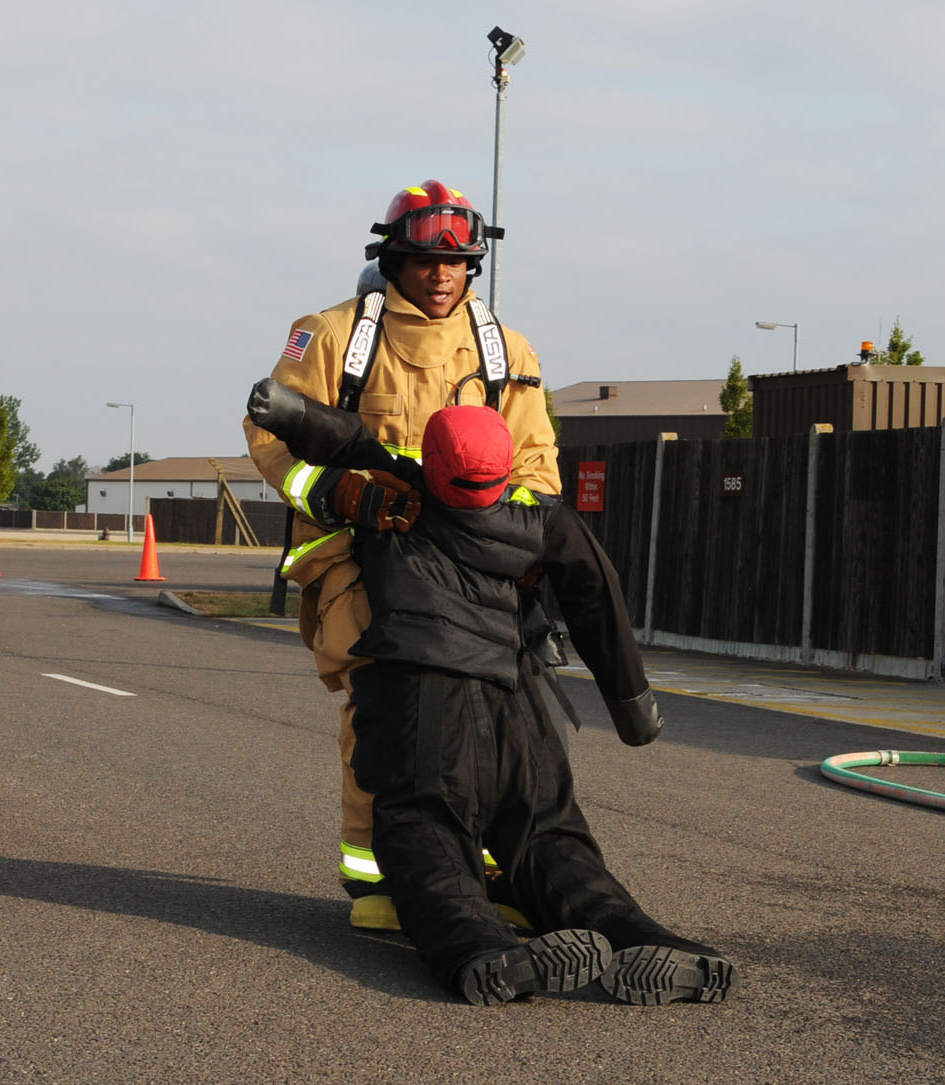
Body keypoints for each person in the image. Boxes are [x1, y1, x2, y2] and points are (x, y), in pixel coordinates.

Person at [243, 180, 659, 932]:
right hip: (360, 548)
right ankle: (381, 873)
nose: (442, 277)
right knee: (389, 693)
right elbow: (271, 438)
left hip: (470, 557)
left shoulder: (506, 350)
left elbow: (536, 464)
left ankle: (485, 865)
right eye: (426, 262)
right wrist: (343, 496)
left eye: (459, 263)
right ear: (394, 257)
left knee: (496, 699)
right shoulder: (335, 336)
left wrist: (511, 537)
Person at [248, 385, 736, 1006]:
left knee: (429, 838)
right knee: (550, 839)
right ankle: (651, 939)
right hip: (519, 698)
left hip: (421, 696)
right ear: (504, 469)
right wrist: (631, 703)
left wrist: (291, 413)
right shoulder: (540, 515)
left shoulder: (407, 491)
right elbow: (596, 592)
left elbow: (353, 442)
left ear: (433, 459)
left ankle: (486, 955)